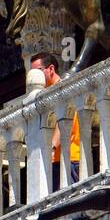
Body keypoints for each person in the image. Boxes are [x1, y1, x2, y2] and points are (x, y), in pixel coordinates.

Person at [31, 51, 80, 186]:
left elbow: (64, 122)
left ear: (51, 69)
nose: (34, 77)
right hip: (55, 161)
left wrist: (51, 147)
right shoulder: (47, 95)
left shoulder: (63, 88)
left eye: (38, 71)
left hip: (69, 158)